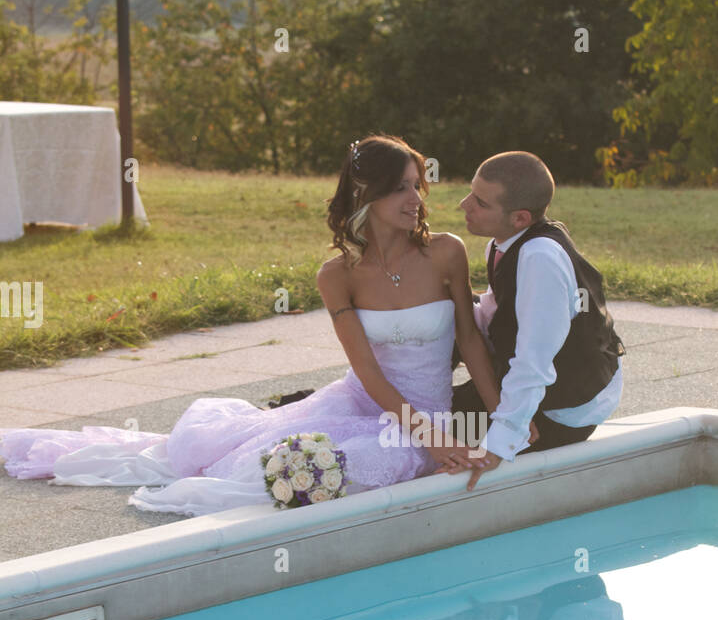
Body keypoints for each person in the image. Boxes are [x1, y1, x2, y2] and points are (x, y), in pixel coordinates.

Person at [0, 134, 500, 517]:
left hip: (427, 407)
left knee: (360, 468)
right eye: (401, 188)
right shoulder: (337, 276)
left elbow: (471, 341)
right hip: (364, 404)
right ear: (366, 195)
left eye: (418, 185)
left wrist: (508, 417)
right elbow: (368, 372)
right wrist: (430, 437)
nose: (416, 198)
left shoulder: (446, 252)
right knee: (295, 470)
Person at [440, 150, 625, 488]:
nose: (464, 205)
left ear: (520, 218)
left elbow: (533, 362)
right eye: (470, 193)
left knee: (446, 450)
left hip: (567, 405)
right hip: (534, 382)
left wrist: (501, 443)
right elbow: (498, 312)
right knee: (426, 425)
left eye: (479, 202)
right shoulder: (504, 243)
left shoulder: (540, 259)